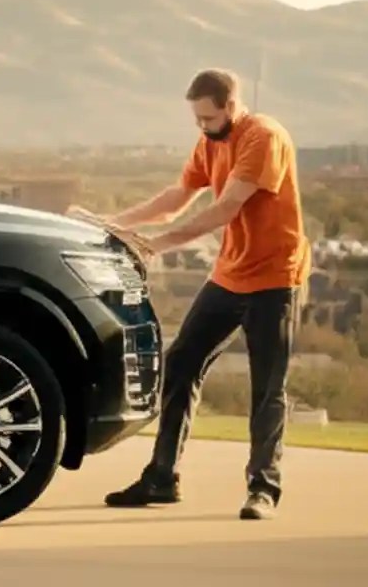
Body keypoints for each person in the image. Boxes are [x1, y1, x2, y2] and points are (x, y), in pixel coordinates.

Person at [101, 68, 310, 520]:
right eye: (196, 119)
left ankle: (263, 490)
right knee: (181, 364)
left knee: (267, 387)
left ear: (232, 107)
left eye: (208, 118)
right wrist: (117, 225)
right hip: (230, 276)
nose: (202, 127)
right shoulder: (210, 140)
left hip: (276, 280)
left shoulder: (263, 137)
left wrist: (161, 244)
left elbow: (227, 206)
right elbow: (177, 197)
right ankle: (161, 478)